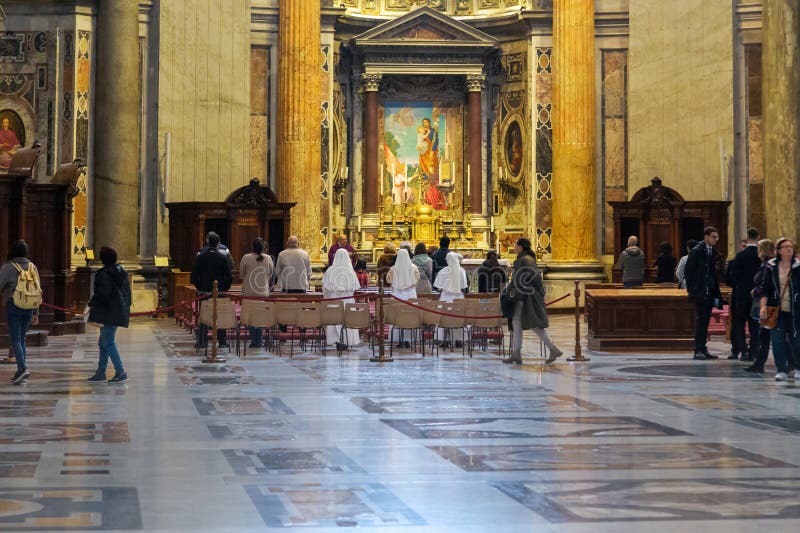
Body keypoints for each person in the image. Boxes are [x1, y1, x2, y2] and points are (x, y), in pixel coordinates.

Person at [502, 237, 562, 365]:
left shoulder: (525, 259)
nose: (514, 246)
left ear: (521, 246)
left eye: (515, 244)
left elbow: (532, 277)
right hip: (523, 296)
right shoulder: (523, 259)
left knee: (533, 324)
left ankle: (552, 349)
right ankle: (516, 354)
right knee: (517, 322)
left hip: (526, 297)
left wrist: (517, 289)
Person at [86, 246, 131, 384]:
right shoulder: (122, 271)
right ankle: (101, 372)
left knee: (108, 342)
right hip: (118, 310)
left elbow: (102, 294)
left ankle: (120, 371)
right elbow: (128, 293)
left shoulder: (103, 274)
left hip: (107, 312)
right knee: (103, 342)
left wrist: (91, 303)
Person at [758, 237, 800, 381]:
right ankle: (781, 369)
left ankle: (798, 368)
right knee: (777, 340)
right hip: (777, 309)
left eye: (791, 246)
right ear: (779, 250)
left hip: (795, 310)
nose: (789, 249)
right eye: (786, 247)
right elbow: (765, 289)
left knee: (796, 339)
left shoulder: (798, 267)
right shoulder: (771, 267)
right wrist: (763, 307)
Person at [0, 240, 39, 384]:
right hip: (29, 306)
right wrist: (36, 312)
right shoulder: (32, 267)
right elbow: (37, 290)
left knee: (15, 339)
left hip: (14, 305)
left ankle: (22, 369)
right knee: (21, 338)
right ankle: (20, 371)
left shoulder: (8, 267)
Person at [684, 227, 722, 360]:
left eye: (717, 237)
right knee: (701, 321)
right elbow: (688, 272)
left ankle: (703, 348)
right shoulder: (697, 251)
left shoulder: (712, 251)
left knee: (705, 321)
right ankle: (697, 349)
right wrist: (693, 290)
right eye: (713, 236)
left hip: (710, 291)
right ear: (706, 236)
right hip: (700, 292)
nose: (716, 239)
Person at [191, 232, 233, 349]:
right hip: (219, 291)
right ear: (218, 243)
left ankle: (202, 341)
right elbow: (229, 275)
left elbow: (194, 275)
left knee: (204, 315)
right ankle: (222, 341)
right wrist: (224, 288)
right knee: (220, 315)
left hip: (204, 291)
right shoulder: (222, 257)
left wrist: (199, 287)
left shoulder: (200, 257)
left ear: (208, 242)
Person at [729, 227, 761, 361]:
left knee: (739, 323)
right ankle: (753, 351)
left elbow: (733, 274)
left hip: (741, 294)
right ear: (758, 237)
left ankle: (743, 351)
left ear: (747, 238)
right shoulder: (761, 255)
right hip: (757, 294)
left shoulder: (740, 255)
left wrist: (741, 285)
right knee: (755, 324)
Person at [745, 239, 775, 374]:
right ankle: (759, 363)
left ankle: (792, 362)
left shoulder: (768, 266)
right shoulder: (765, 265)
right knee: (766, 335)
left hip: (769, 305)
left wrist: (755, 291)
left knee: (767, 335)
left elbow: (766, 286)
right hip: (766, 304)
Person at [322, 248, 361, 351]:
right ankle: (348, 340)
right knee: (347, 319)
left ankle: (335, 340)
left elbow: (325, 288)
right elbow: (354, 288)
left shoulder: (330, 270)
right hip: (347, 300)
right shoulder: (350, 271)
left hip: (334, 300)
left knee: (335, 320)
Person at [240, 238, 274, 349]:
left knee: (250, 317)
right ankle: (258, 341)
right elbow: (270, 274)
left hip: (249, 291)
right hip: (262, 292)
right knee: (259, 317)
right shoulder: (268, 258)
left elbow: (241, 274)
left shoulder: (246, 257)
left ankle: (254, 340)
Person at [433, 251, 468, 346]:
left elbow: (437, 286)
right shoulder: (461, 271)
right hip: (458, 297)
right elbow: (464, 286)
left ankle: (445, 340)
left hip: (445, 297)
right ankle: (458, 340)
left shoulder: (443, 271)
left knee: (444, 319)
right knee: (458, 319)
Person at [387, 248, 420, 347]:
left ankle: (399, 339)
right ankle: (408, 339)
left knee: (397, 317)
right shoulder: (414, 267)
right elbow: (417, 279)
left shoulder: (393, 268)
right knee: (409, 316)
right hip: (410, 294)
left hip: (397, 294)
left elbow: (388, 280)